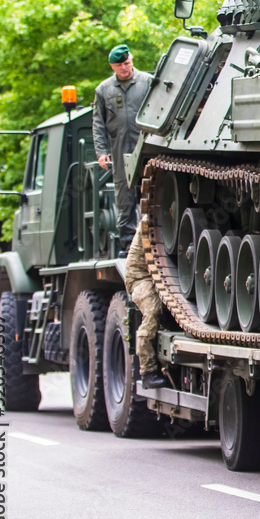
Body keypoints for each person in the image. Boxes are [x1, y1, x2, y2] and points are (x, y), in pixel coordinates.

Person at [92, 44, 152, 256]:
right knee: (124, 197)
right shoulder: (103, 90)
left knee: (151, 191)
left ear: (131, 60)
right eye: (120, 65)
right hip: (119, 148)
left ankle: (153, 241)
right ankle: (128, 245)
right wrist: (101, 151)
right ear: (112, 66)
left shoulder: (147, 82)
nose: (124, 68)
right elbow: (98, 123)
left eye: (127, 63)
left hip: (146, 145)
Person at [123, 221, 169, 389]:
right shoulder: (148, 224)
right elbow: (157, 258)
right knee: (153, 310)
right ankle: (147, 372)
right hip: (140, 277)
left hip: (158, 275)